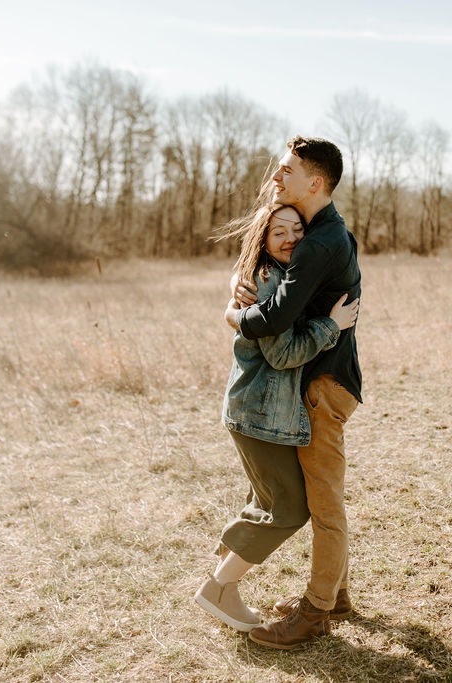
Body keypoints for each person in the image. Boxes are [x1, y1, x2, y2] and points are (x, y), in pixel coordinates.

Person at [194, 202, 359, 633]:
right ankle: (218, 587)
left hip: (255, 412)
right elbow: (283, 353)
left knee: (268, 501)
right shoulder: (268, 281)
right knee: (287, 509)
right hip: (257, 414)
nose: (290, 238)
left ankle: (224, 581)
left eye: (297, 230)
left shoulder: (280, 278)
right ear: (263, 240)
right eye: (278, 231)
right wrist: (331, 326)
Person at [225, 136, 362, 650]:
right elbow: (280, 296)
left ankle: (317, 611)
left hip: (323, 386)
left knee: (323, 506)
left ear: (316, 182)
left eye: (286, 170)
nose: (276, 176)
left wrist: (235, 314)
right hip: (323, 382)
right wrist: (245, 287)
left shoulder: (322, 242)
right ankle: (339, 595)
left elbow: (276, 318)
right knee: (321, 499)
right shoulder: (324, 234)